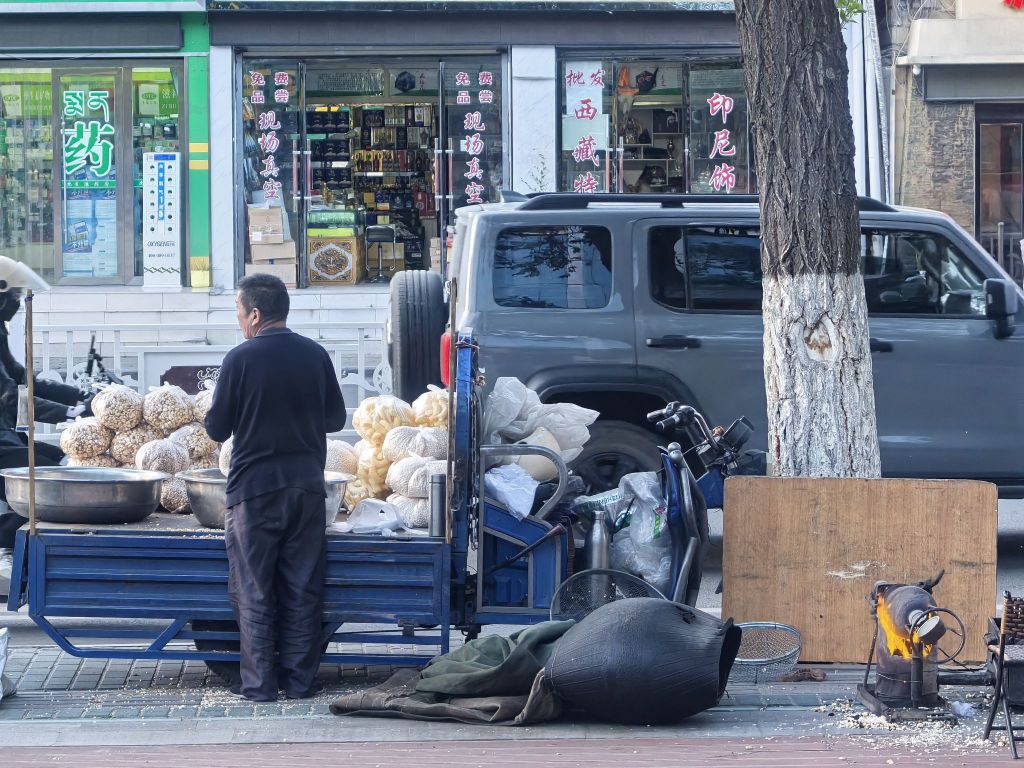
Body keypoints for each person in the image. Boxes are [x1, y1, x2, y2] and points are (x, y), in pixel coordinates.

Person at [204, 274, 346, 702]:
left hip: (253, 492)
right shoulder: (315, 354)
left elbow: (216, 428)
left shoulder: (240, 359)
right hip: (306, 490)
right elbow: (336, 420)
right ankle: (301, 684)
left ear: (255, 314)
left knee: (254, 590)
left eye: (239, 313)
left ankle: (260, 687)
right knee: (303, 588)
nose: (239, 322)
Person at [0, 285, 88, 580]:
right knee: (47, 485)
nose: (16, 303)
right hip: (2, 441)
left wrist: (76, 396)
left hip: (6, 434)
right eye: (11, 297)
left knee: (62, 458)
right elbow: (11, 395)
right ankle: (8, 549)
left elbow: (21, 377)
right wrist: (67, 413)